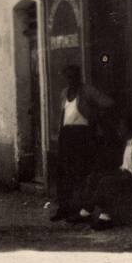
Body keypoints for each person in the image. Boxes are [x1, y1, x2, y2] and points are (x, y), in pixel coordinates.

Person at [50, 64, 113, 222]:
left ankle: (80, 210)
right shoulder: (64, 93)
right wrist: (59, 134)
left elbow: (108, 103)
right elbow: (63, 114)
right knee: (63, 174)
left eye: (74, 76)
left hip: (82, 136)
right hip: (66, 136)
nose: (71, 80)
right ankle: (64, 208)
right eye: (68, 77)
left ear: (79, 77)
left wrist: (95, 117)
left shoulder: (87, 91)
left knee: (80, 174)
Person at [82, 113, 132, 229]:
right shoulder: (129, 143)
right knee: (94, 176)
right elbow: (125, 166)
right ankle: (88, 211)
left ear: (130, 128)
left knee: (107, 181)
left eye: (122, 126)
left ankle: (102, 216)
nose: (119, 129)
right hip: (125, 175)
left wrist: (120, 175)